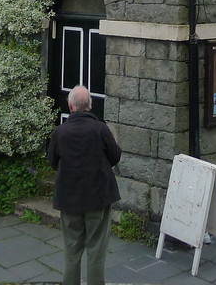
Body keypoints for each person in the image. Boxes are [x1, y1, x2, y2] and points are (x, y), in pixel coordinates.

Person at [48, 84, 121, 285]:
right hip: (98, 196)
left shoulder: (60, 132)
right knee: (96, 249)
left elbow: (53, 161)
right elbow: (115, 157)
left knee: (72, 250)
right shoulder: (101, 128)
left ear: (70, 106)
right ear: (89, 105)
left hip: (69, 198)